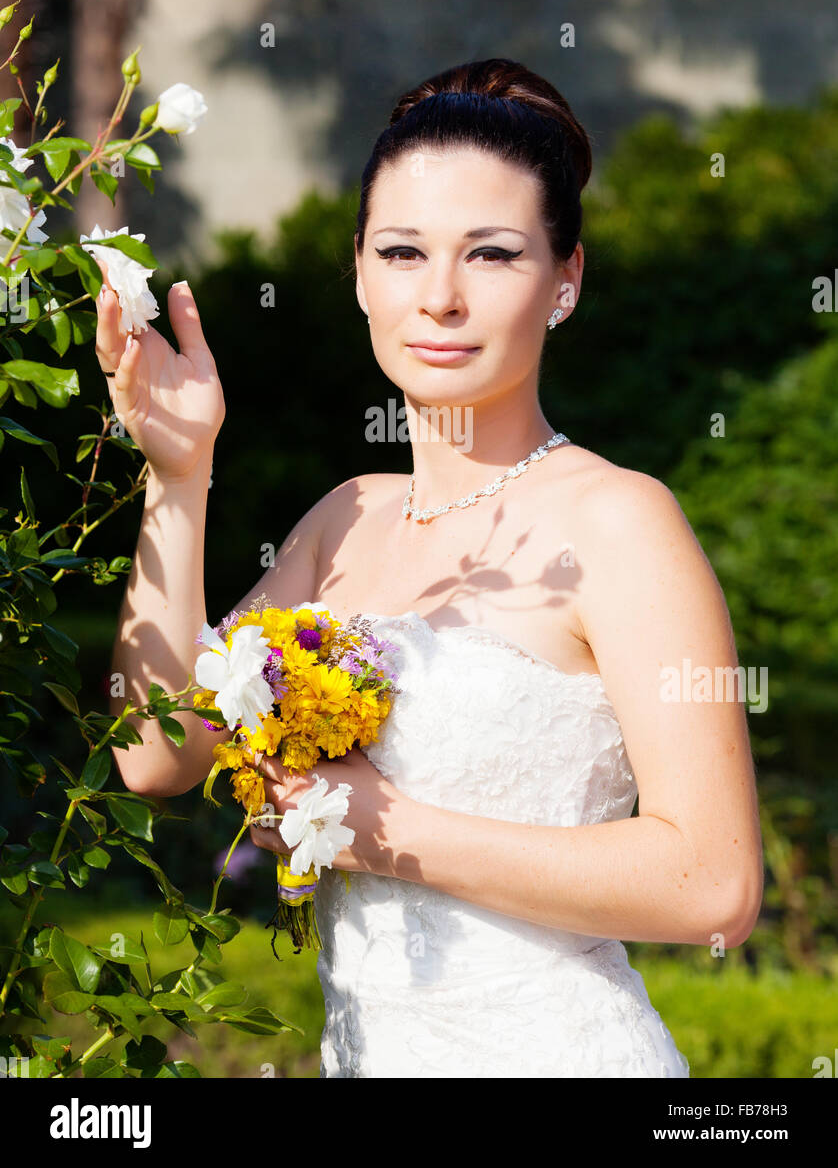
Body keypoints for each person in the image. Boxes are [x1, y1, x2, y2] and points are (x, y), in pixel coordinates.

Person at [100, 57, 763, 1079]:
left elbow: (712, 882)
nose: (440, 298)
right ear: (360, 272)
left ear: (565, 279)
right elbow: (154, 756)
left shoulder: (621, 520)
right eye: (403, 252)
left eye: (492, 255)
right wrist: (177, 478)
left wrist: (386, 829)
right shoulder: (344, 519)